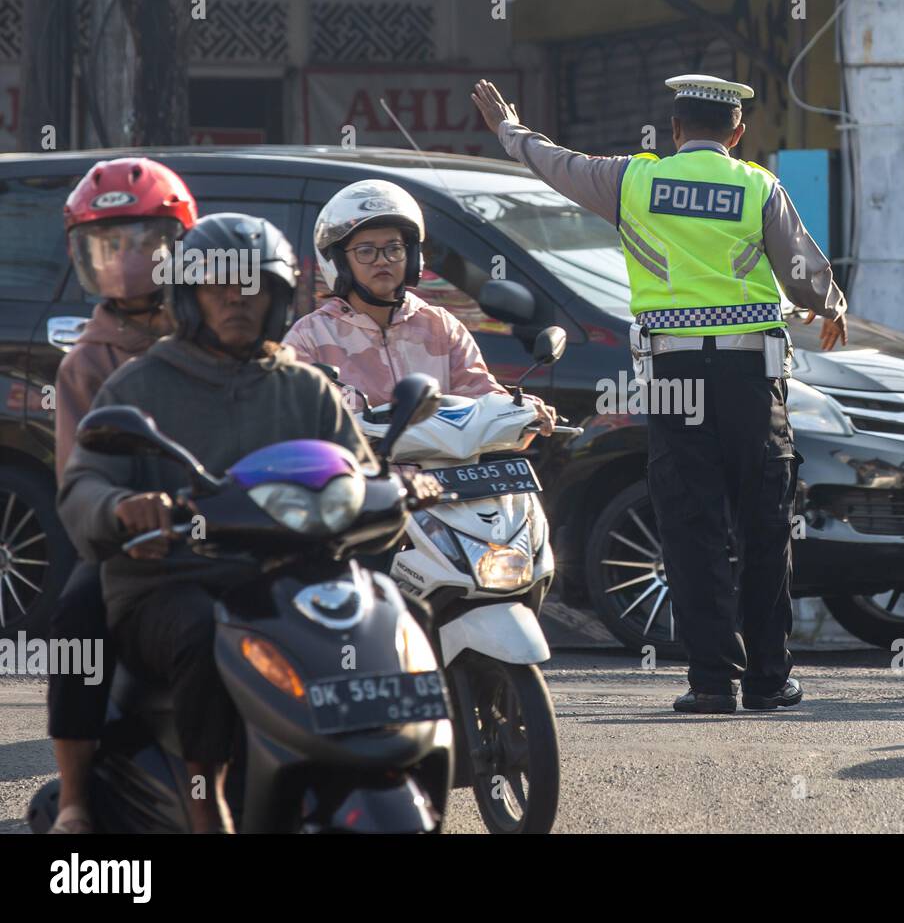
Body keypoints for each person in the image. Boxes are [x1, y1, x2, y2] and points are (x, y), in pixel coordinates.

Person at [472, 75, 848, 713]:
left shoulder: (632, 180)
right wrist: (830, 305)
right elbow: (803, 273)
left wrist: (509, 128)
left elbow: (552, 163)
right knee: (763, 528)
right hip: (751, 383)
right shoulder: (757, 184)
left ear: (674, 132)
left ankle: (711, 684)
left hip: (675, 384)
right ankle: (767, 679)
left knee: (691, 526)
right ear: (737, 134)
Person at [57, 213, 375, 833]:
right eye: (216, 284)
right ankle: (205, 800)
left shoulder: (307, 390)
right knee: (208, 631)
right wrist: (121, 508)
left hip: (288, 579)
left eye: (253, 284)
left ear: (278, 296)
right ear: (188, 296)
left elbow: (357, 472)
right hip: (168, 583)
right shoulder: (140, 382)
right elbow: (84, 483)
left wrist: (398, 488)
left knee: (389, 616)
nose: (236, 296)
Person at [46, 157, 197, 834]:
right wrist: (120, 516)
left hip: (236, 529)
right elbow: (79, 479)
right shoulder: (86, 362)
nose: (127, 262)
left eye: (143, 242)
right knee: (77, 617)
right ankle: (76, 796)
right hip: (127, 550)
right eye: (110, 245)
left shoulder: (215, 333)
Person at [282, 179, 555, 431]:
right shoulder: (309, 337)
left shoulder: (440, 325)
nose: (383, 260)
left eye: (394, 248)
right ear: (339, 262)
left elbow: (479, 394)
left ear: (411, 256)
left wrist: (521, 410)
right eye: (365, 251)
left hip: (445, 478)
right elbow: (290, 422)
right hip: (360, 480)